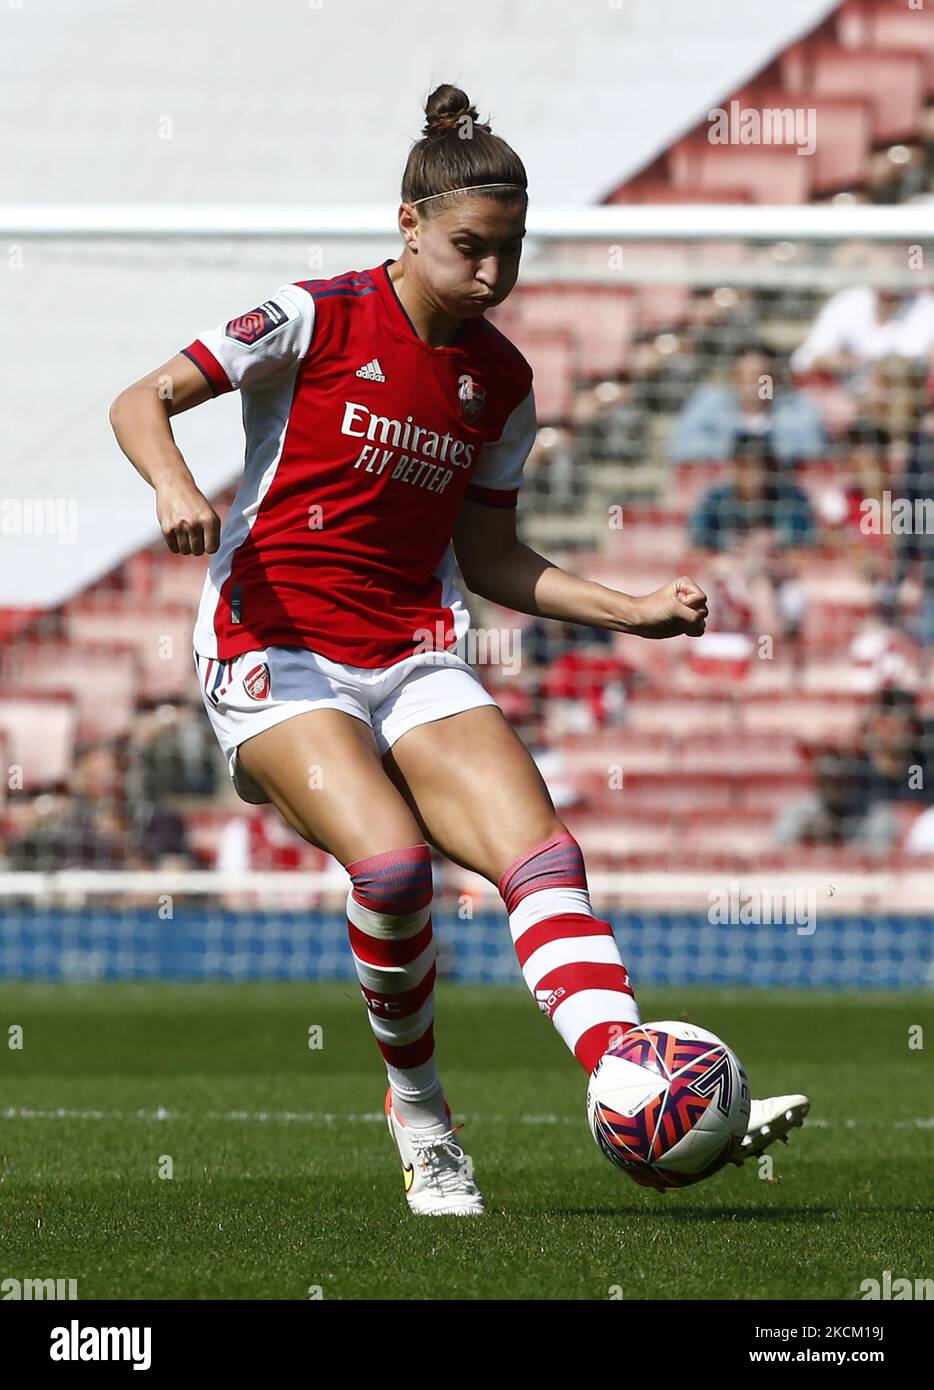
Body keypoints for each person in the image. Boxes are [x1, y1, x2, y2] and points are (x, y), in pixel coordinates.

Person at [110, 83, 806, 1212]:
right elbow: (141, 399)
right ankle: (424, 1117)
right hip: (272, 644)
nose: (491, 276)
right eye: (469, 249)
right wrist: (176, 483)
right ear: (408, 224)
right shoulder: (314, 315)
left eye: (509, 254)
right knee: (390, 869)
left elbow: (492, 560)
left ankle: (647, 1081)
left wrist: (631, 609)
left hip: (413, 649)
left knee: (541, 858)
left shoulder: (504, 384)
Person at [670, 344, 826, 465]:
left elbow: (813, 451)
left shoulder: (798, 408)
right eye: (747, 377)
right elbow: (683, 449)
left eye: (763, 377)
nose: (755, 384)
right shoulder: (708, 403)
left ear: (776, 379)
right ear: (734, 378)